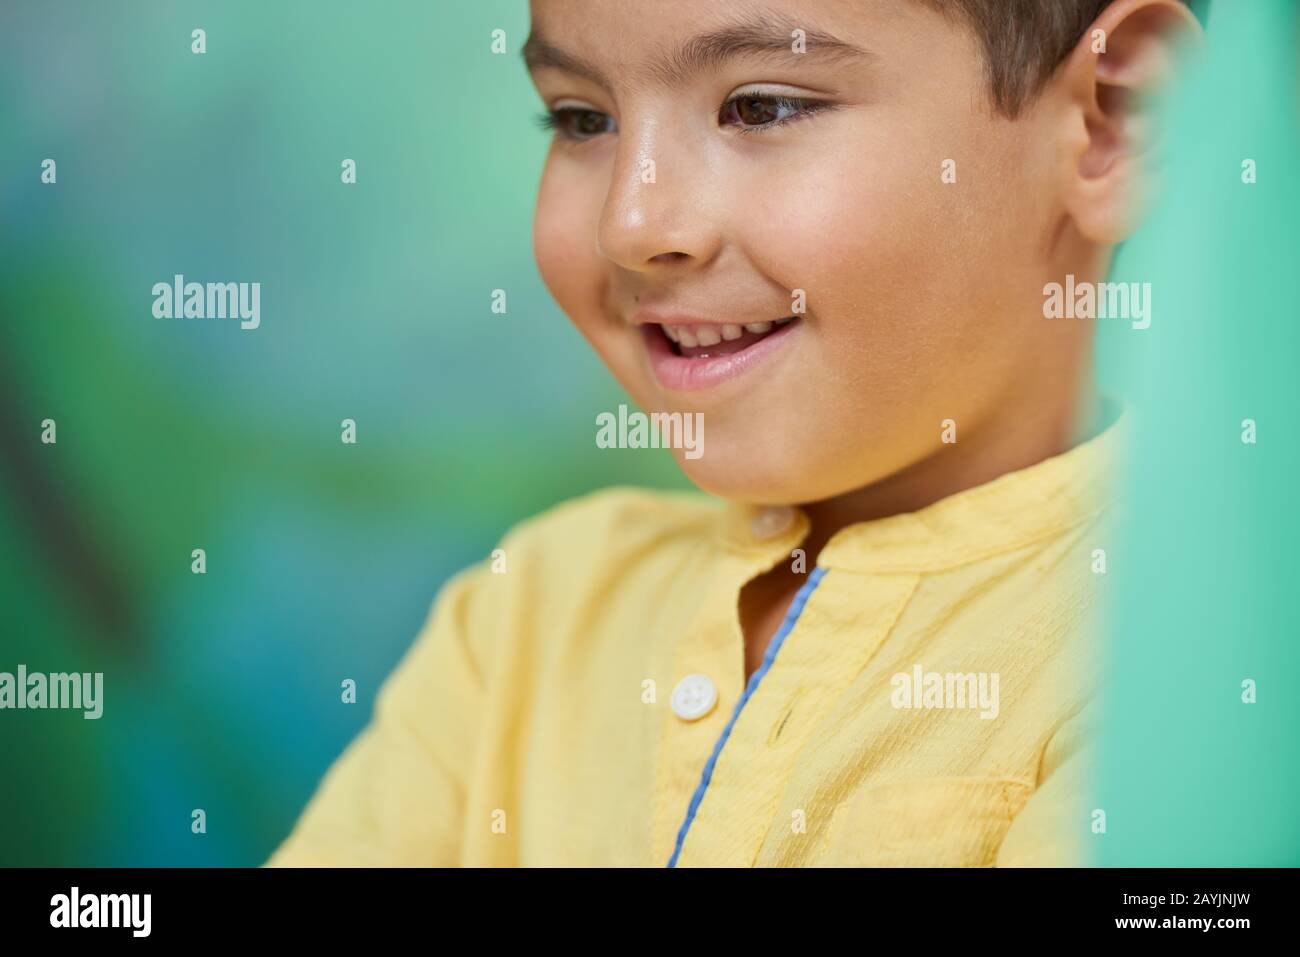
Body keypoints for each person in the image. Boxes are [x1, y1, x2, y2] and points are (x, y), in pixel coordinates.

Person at [268, 0, 1202, 867]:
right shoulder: (529, 614)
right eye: (583, 119)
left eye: (759, 107)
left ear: (1112, 120)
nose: (631, 224)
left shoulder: (1180, 667)